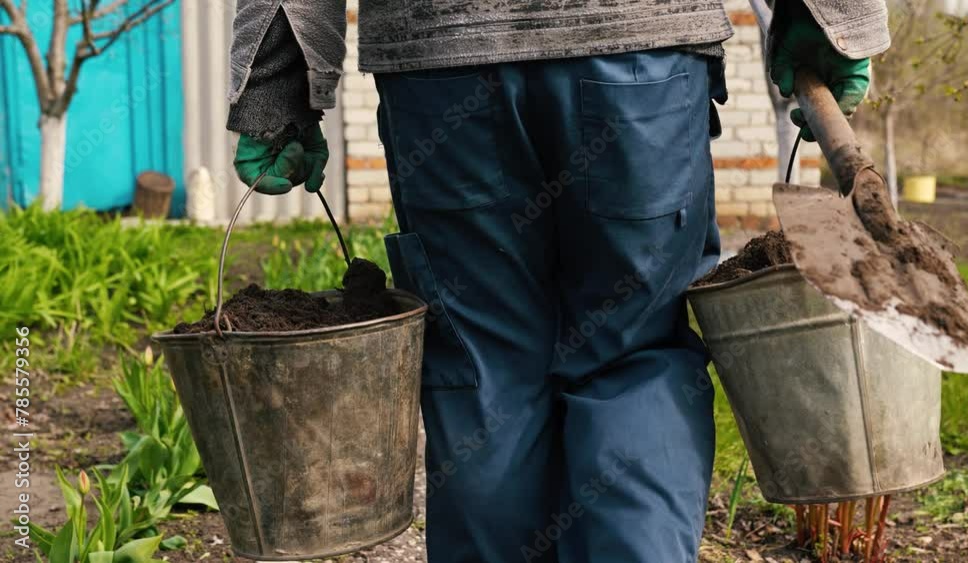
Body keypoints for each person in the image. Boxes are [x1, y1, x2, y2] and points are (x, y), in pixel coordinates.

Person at [225, 1, 880, 561]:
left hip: (445, 66)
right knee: (635, 359)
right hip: (634, 57)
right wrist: (831, 19)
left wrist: (274, 84)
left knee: (486, 375)